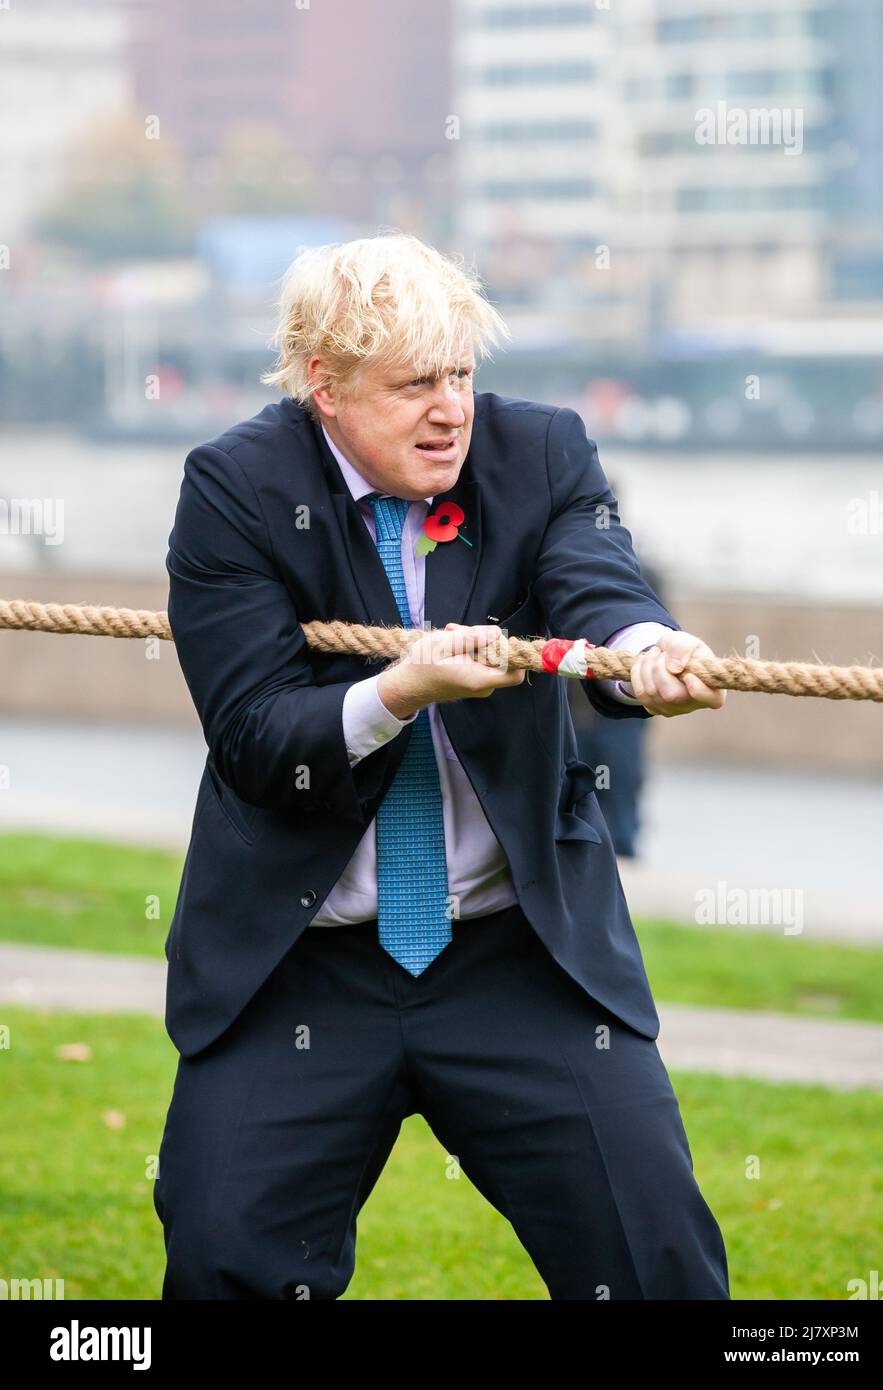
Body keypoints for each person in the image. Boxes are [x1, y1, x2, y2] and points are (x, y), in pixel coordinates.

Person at [154, 232, 729, 1301]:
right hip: (300, 957)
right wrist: (399, 691)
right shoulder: (234, 486)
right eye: (414, 383)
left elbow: (596, 578)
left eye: (461, 374)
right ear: (323, 383)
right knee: (222, 1263)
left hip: (518, 953)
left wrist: (646, 650)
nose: (450, 408)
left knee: (657, 1263)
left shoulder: (542, 450)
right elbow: (254, 737)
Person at [567, 543, 671, 858]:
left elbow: (655, 624)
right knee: (579, 789)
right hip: (575, 705)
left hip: (620, 709)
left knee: (622, 783)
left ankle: (624, 856)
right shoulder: (560, 562)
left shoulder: (639, 566)